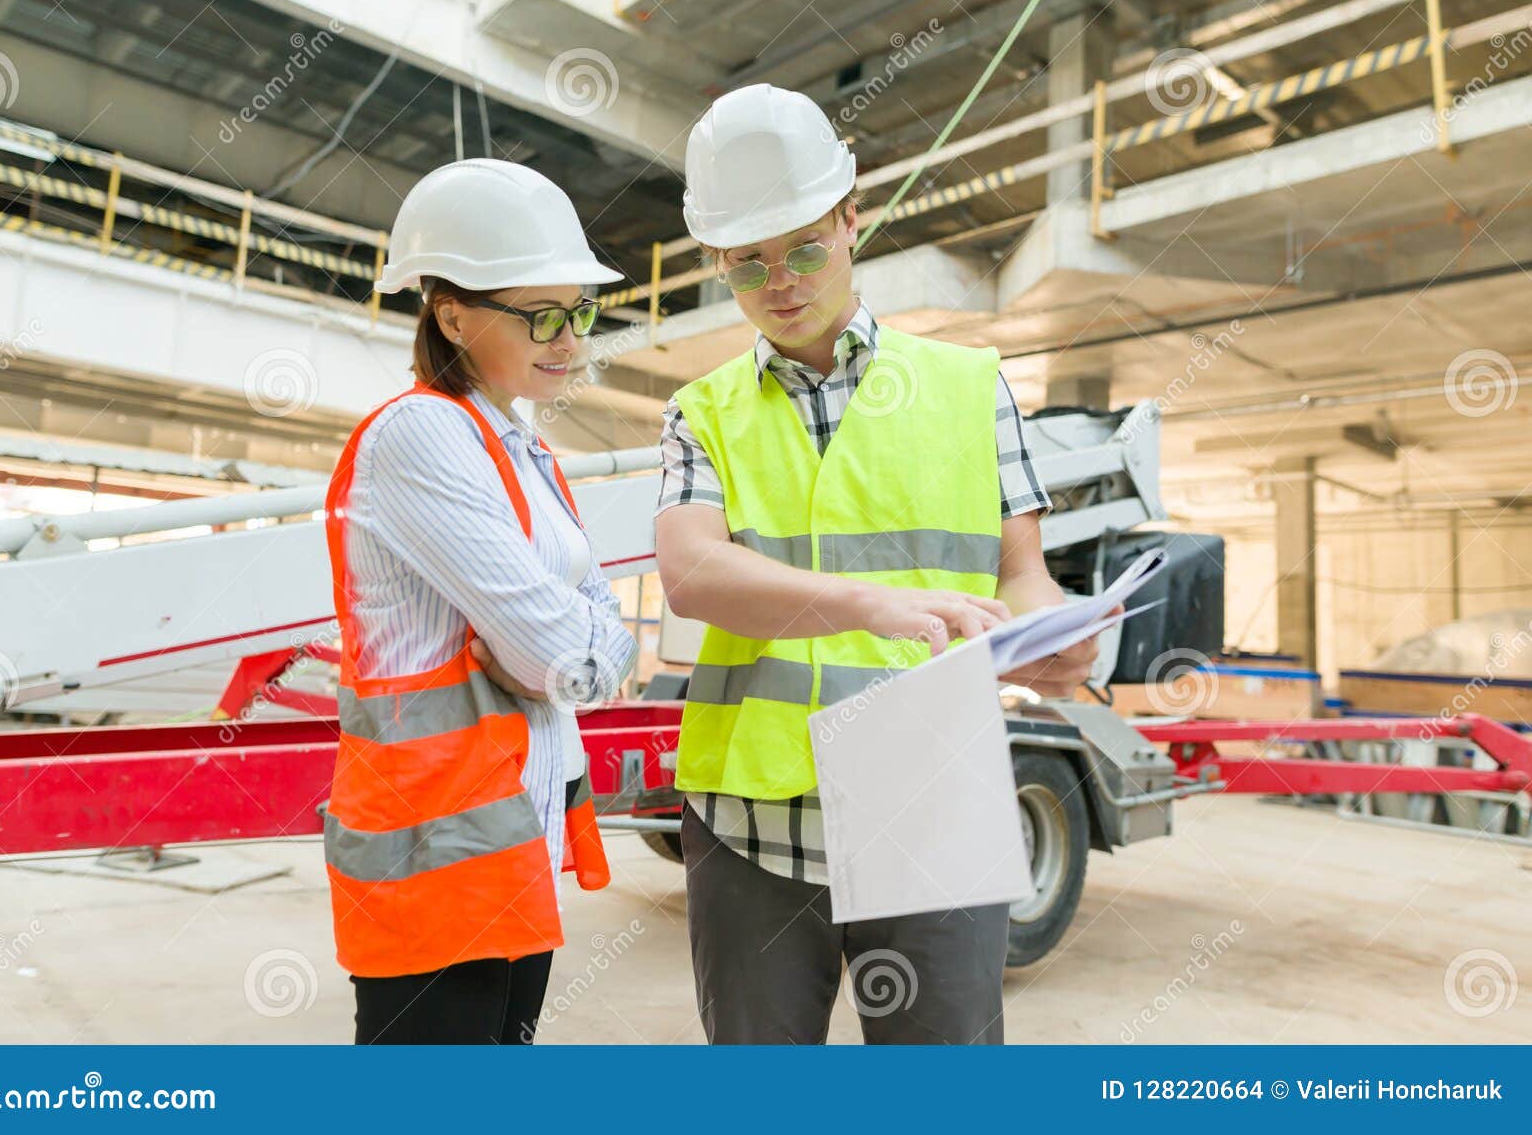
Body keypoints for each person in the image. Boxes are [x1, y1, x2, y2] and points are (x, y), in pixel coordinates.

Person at [654, 84, 1118, 1045]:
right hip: (755, 823)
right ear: (717, 264)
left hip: (932, 802)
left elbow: (1019, 572)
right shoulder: (701, 410)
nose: (781, 281)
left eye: (806, 248)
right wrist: (871, 604)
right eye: (748, 265)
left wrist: (1054, 633)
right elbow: (693, 574)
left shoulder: (969, 386)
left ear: (851, 216)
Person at [321, 159, 638, 1045]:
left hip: (507, 845)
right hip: (434, 857)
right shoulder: (420, 434)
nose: (569, 337)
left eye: (580, 310)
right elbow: (559, 652)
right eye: (541, 314)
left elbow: (595, 639)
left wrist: (583, 649)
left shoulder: (523, 446)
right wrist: (576, 648)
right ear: (451, 312)